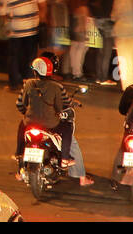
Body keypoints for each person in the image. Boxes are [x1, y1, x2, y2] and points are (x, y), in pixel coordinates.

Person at [16, 56, 94, 186]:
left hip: (30, 122)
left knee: (21, 125)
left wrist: (29, 114)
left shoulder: (28, 84)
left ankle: (19, 155)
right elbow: (61, 106)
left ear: (35, 71)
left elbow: (20, 104)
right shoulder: (56, 86)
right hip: (50, 124)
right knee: (67, 128)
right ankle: (64, 159)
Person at [0, 0, 45, 90]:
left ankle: (13, 84)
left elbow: (2, 14)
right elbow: (42, 3)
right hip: (32, 29)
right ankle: (29, 82)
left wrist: (4, 27)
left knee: (14, 57)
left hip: (16, 31)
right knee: (31, 57)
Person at [66, 0, 94, 80]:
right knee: (82, 45)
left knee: (75, 45)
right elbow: (84, 0)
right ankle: (77, 73)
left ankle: (74, 71)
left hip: (72, 14)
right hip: (81, 14)